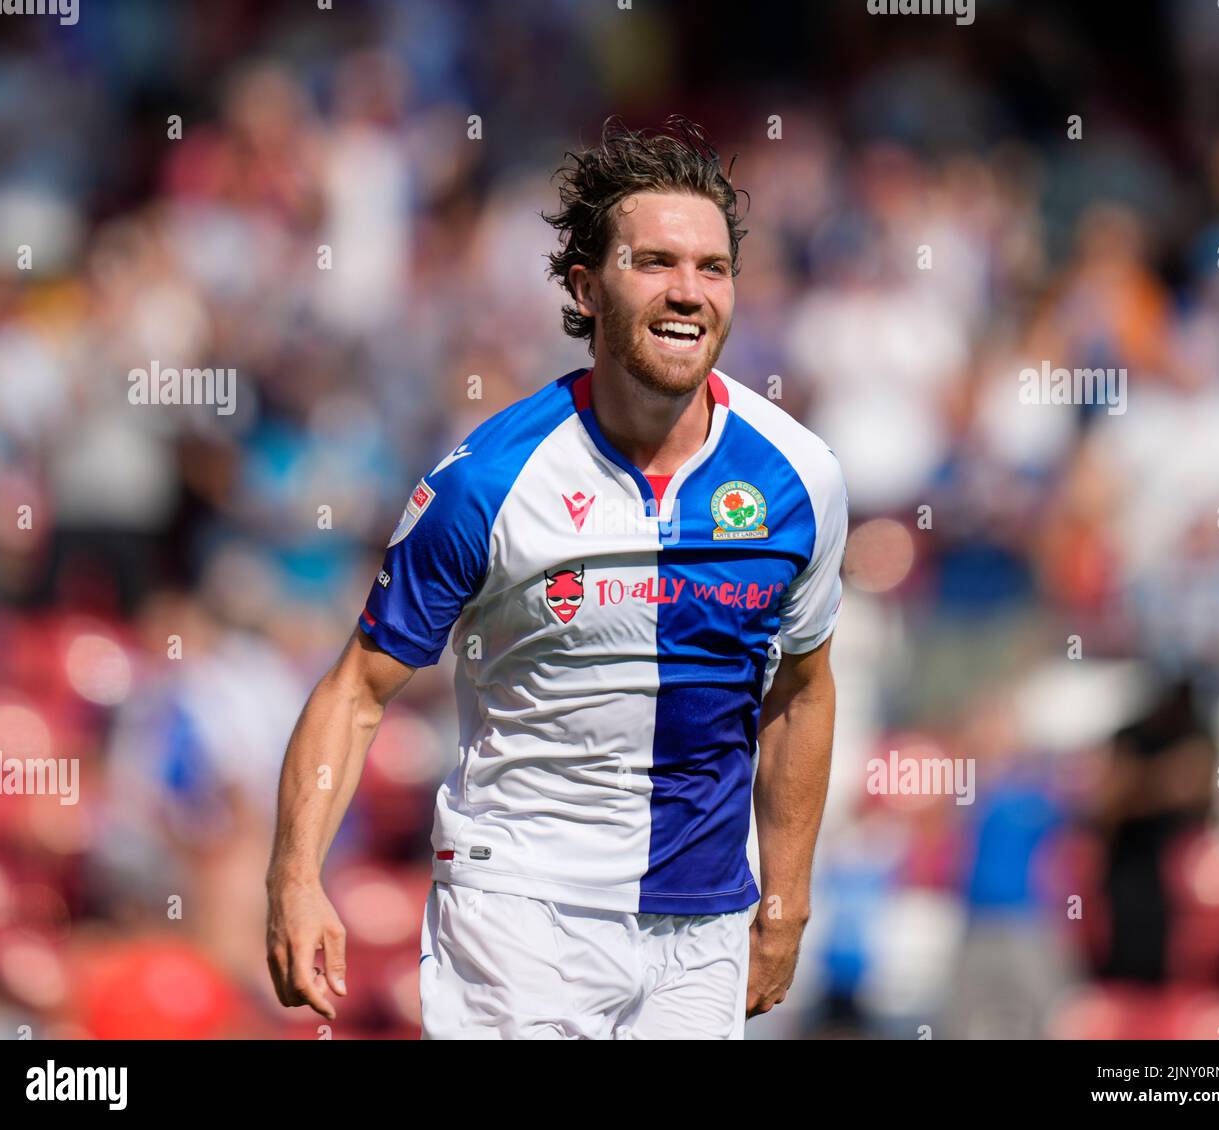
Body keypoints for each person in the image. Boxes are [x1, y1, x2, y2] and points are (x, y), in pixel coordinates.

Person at [266, 116, 849, 1039]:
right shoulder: (488, 483)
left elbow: (803, 690)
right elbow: (356, 692)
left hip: (703, 922)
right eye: (654, 262)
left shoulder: (800, 476)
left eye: (712, 267)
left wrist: (788, 898)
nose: (688, 292)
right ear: (587, 286)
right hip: (520, 912)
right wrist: (296, 881)